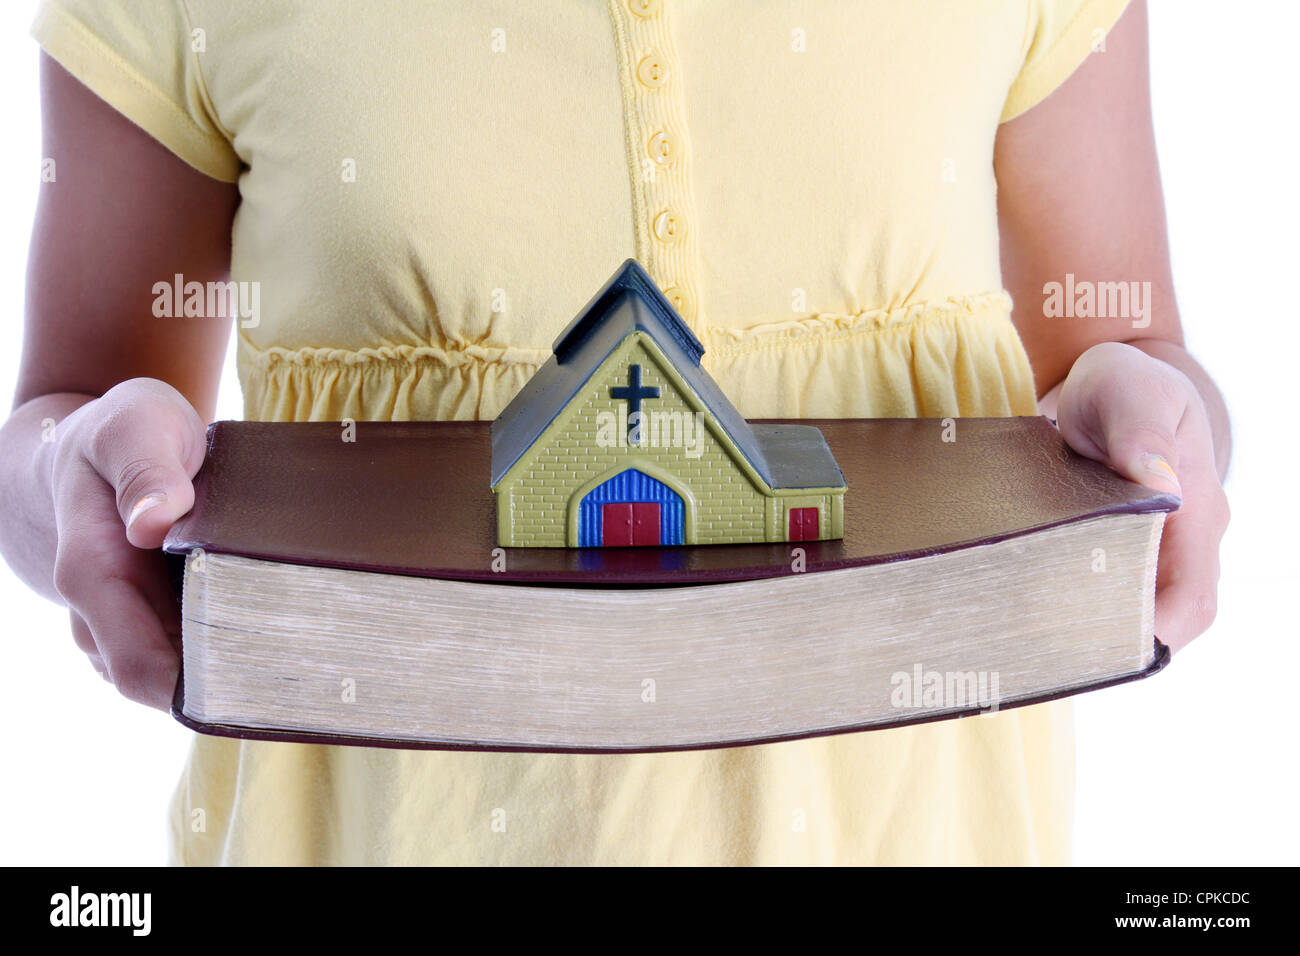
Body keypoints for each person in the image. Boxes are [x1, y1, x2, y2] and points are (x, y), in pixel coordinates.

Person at [0, 0, 1229, 865]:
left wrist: (1173, 428)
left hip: (917, 831)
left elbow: (1132, 355)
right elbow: (62, 416)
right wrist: (73, 477)